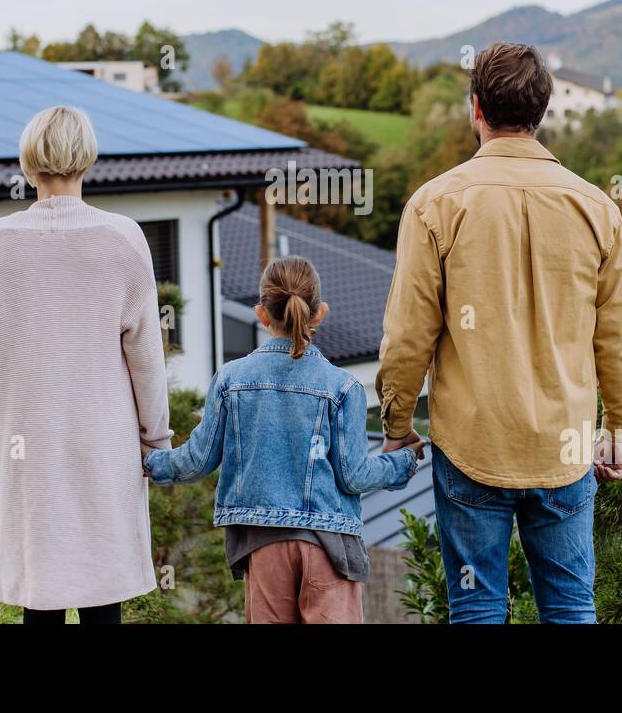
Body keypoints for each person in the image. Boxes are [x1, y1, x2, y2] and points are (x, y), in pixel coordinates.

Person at [376, 42, 622, 624]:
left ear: (476, 108)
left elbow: (407, 336)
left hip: (473, 446)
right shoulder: (597, 209)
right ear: (541, 111)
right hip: (564, 446)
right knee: (572, 607)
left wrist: (397, 427)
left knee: (476, 609)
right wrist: (620, 428)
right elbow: (616, 335)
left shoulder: (433, 205)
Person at [0, 105, 171, 625]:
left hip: (25, 441)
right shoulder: (123, 238)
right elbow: (146, 355)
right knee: (104, 594)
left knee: (42, 592)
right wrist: (156, 437)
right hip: (106, 440)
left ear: (29, 163)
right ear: (87, 159)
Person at [144, 255, 423, 623]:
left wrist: (149, 460)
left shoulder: (231, 380)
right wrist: (402, 461)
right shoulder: (343, 387)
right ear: (319, 313)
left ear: (262, 314)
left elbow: (196, 461)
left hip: (264, 545)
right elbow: (355, 476)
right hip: (329, 544)